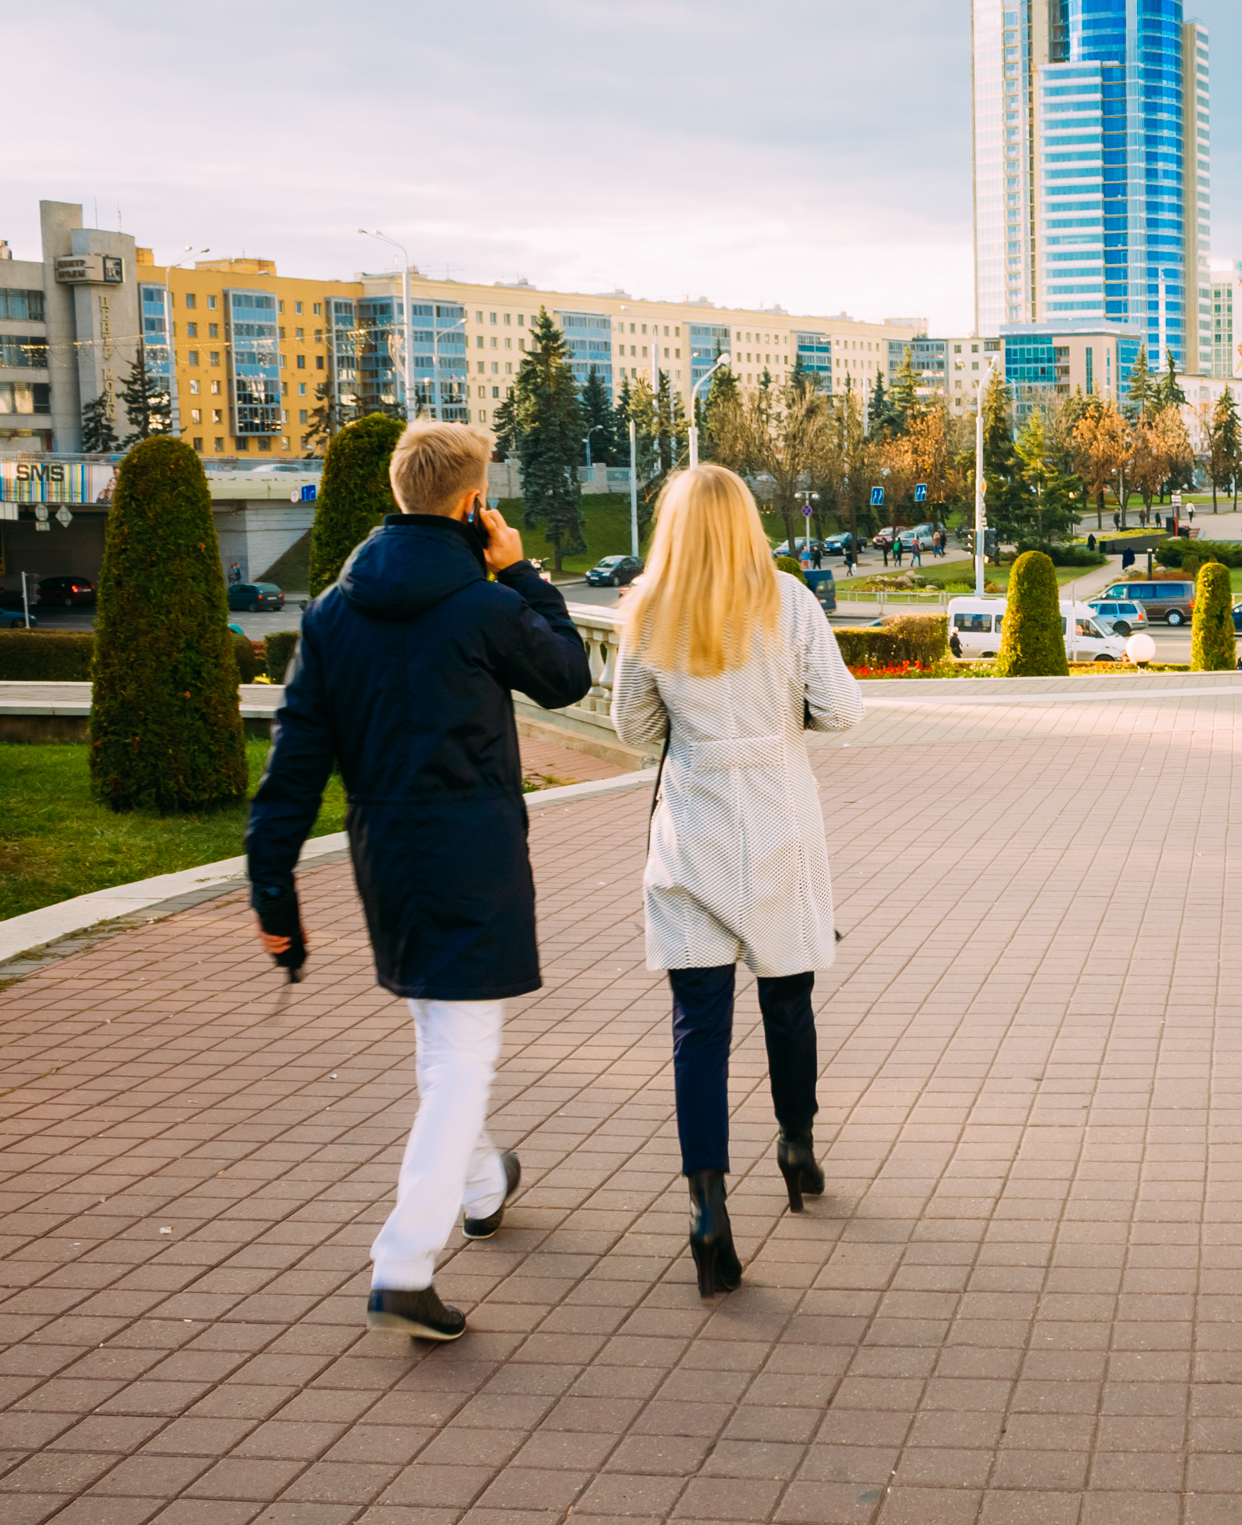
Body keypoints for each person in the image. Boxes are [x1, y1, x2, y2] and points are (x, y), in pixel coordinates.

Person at [246, 421, 594, 1342]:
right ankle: (402, 1264)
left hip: (386, 862)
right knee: (459, 1061)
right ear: (473, 503)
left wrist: (273, 896)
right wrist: (520, 572)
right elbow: (567, 675)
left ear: (398, 494)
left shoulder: (329, 613)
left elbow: (291, 769)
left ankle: (481, 1184)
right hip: (472, 859)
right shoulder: (483, 606)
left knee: (442, 1048)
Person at [612, 465, 863, 1297]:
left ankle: (708, 1203)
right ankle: (795, 1142)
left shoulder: (648, 608)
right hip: (779, 825)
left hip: (694, 834)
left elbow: (634, 727)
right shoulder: (789, 599)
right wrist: (775, 713)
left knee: (699, 1026)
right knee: (787, 1003)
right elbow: (842, 709)